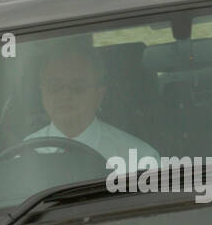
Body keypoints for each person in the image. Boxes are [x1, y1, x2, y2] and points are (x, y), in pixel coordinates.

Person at [25, 48, 158, 161]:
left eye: (78, 87)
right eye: (55, 86)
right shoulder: (22, 156)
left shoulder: (138, 157)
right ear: (42, 92)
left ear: (99, 95)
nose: (65, 95)